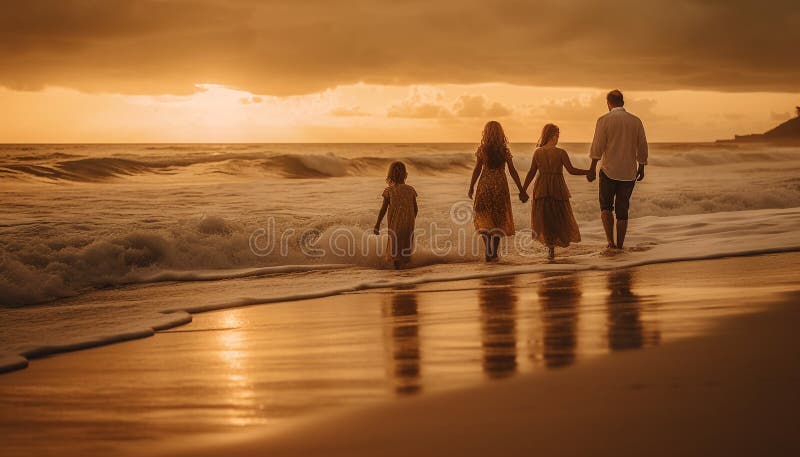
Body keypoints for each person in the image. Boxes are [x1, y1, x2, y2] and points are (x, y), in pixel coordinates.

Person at [587, 90, 648, 249]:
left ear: (609, 103)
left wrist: (592, 168)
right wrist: (641, 165)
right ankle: (620, 245)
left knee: (606, 206)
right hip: (629, 172)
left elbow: (598, 146)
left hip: (609, 171)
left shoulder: (604, 120)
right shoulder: (636, 121)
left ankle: (610, 243)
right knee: (622, 210)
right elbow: (642, 145)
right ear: (623, 102)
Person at [521, 124, 588, 259]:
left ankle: (550, 250)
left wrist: (523, 190)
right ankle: (552, 252)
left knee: (545, 219)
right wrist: (589, 172)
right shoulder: (561, 152)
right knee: (558, 217)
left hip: (541, 188)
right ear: (553, 136)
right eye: (557, 135)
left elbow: (531, 173)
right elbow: (572, 170)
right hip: (557, 188)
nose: (558, 138)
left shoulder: (537, 152)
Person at [468, 121, 527, 262]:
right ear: (501, 134)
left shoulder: (482, 149)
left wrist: (471, 186)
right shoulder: (504, 150)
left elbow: (477, 169)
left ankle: (488, 250)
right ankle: (493, 252)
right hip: (500, 186)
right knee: (498, 219)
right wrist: (521, 189)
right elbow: (512, 171)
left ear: (486, 133)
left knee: (483, 217)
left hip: (485, 186)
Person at [374, 161, 418, 269]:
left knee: (395, 254)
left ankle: (399, 275)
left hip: (395, 227)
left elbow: (383, 210)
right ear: (405, 174)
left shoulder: (389, 191)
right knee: (405, 251)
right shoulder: (410, 190)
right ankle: (406, 274)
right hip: (408, 227)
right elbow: (416, 209)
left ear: (390, 175)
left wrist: (377, 225)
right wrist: (410, 220)